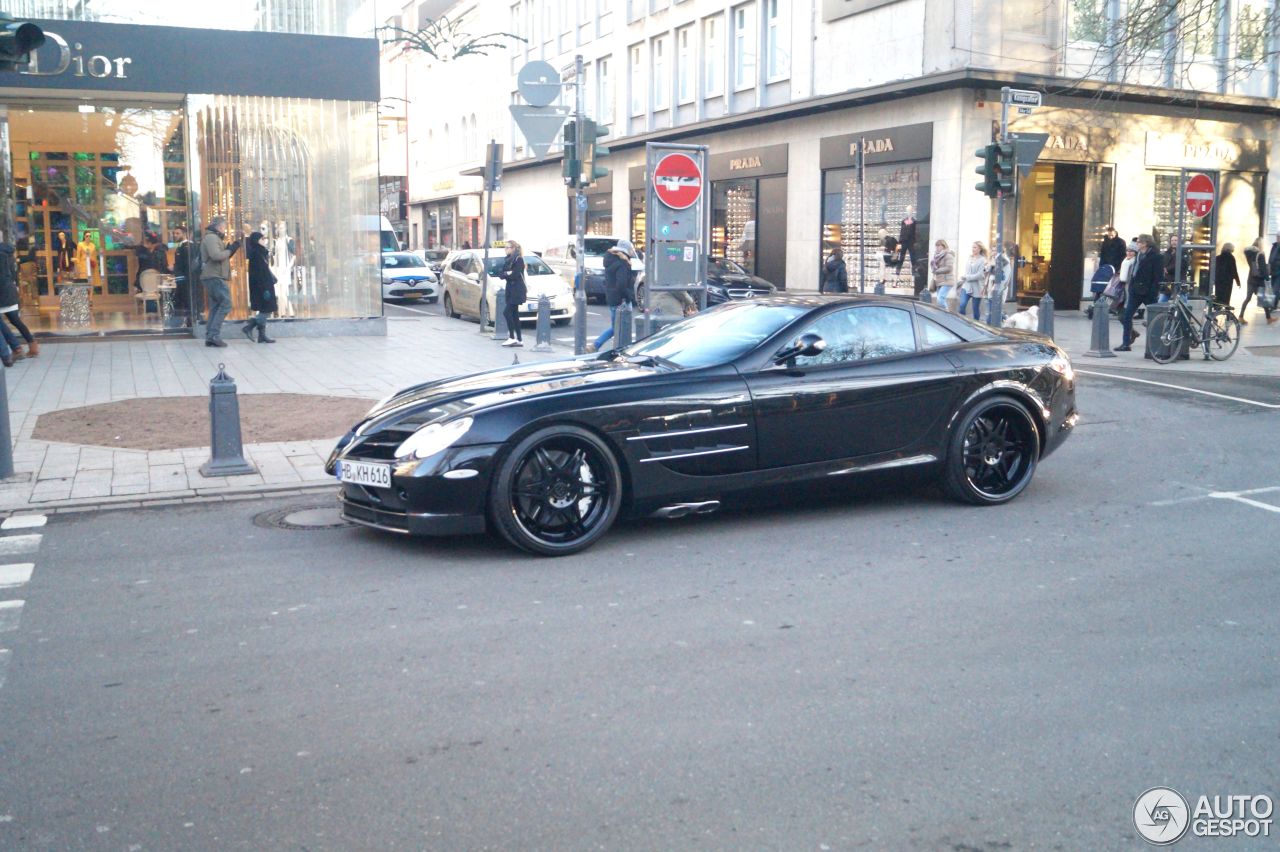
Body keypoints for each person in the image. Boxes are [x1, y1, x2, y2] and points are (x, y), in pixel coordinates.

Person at [587, 238, 638, 353]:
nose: (632, 251)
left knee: (617, 326)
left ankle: (599, 346)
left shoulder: (610, 259)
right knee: (620, 327)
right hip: (622, 299)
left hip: (612, 297)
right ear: (626, 249)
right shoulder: (622, 263)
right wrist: (629, 296)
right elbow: (622, 283)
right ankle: (597, 345)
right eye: (630, 249)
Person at [200, 216, 241, 348]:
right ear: (218, 227)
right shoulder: (211, 238)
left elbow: (218, 255)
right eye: (224, 227)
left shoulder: (213, 237)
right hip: (214, 276)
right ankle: (214, 335)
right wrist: (230, 250)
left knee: (216, 306)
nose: (224, 230)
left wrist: (229, 250)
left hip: (213, 275)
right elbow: (216, 256)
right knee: (226, 304)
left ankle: (210, 336)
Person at [1118, 233, 1162, 351]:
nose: (1137, 244)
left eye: (1138, 242)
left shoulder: (1156, 256)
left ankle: (1156, 343)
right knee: (1127, 316)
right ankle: (1126, 343)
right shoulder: (1138, 255)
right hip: (1136, 290)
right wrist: (1132, 285)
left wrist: (1154, 290)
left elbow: (1158, 276)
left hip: (1148, 291)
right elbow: (1135, 271)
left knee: (1154, 318)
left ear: (1145, 244)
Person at [240, 231, 277, 343]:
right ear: (257, 241)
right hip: (263, 287)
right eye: (262, 239)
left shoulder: (261, 252)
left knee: (264, 309)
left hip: (264, 286)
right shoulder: (257, 254)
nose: (264, 241)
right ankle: (249, 327)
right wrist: (265, 289)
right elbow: (259, 274)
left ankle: (262, 335)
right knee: (267, 309)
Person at [495, 240, 527, 347]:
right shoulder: (508, 260)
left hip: (517, 290)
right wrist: (507, 273)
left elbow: (515, 275)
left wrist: (507, 274)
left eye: (508, 247)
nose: (506, 249)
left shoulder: (519, 260)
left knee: (506, 312)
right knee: (514, 314)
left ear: (513, 248)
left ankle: (512, 337)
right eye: (505, 247)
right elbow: (501, 274)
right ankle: (519, 339)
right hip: (510, 289)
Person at [171, 226, 202, 322]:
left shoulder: (187, 247)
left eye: (178, 233)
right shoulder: (181, 246)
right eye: (174, 233)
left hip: (186, 278)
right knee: (184, 300)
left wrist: (180, 277)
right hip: (184, 278)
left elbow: (187, 264)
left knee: (186, 299)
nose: (175, 235)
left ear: (184, 234)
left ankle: (189, 320)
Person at [1243, 237, 1275, 325]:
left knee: (1248, 298)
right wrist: (1267, 278)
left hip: (1251, 278)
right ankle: (1269, 318)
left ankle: (1241, 316)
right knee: (1264, 298)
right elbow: (1263, 268)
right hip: (1259, 280)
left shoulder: (1248, 254)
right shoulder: (1260, 254)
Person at [957, 241, 987, 318]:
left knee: (975, 308)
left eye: (975, 247)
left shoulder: (983, 260)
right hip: (966, 286)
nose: (973, 249)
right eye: (972, 247)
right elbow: (967, 271)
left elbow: (980, 275)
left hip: (977, 287)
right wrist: (964, 277)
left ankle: (976, 325)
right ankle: (961, 321)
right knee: (962, 304)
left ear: (980, 249)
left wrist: (967, 277)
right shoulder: (970, 257)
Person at [929, 239, 956, 309]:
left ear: (943, 246)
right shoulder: (936, 256)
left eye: (938, 246)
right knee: (939, 301)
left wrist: (937, 270)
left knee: (940, 299)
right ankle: (943, 316)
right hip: (939, 281)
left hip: (947, 281)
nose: (937, 248)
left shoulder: (948, 255)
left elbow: (949, 268)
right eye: (936, 246)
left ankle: (948, 315)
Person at [1212, 243, 1240, 309]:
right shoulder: (1231, 258)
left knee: (1218, 295)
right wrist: (1237, 281)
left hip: (1218, 280)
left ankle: (1216, 309)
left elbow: (1214, 269)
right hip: (1227, 280)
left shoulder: (1218, 258)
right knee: (1227, 296)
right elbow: (1234, 270)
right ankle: (1227, 311)